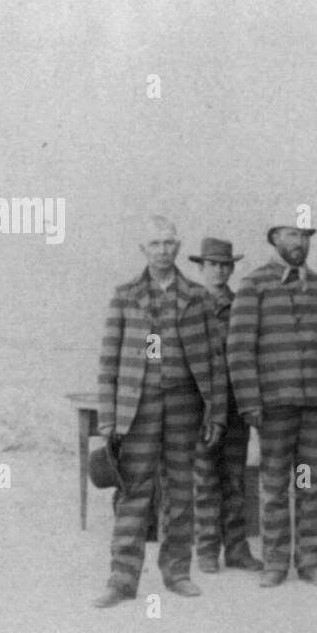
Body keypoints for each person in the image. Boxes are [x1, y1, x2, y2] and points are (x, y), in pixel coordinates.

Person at [92, 216, 227, 608]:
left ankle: (177, 572)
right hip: (138, 407)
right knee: (134, 491)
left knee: (181, 492)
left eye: (169, 243)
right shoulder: (124, 296)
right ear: (143, 250)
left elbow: (216, 361)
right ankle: (121, 579)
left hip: (185, 403)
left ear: (179, 246)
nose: (163, 250)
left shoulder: (198, 297)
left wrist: (216, 412)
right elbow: (108, 361)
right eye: (155, 244)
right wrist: (107, 417)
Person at [228, 224, 317, 588]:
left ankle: (309, 560)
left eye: (305, 236)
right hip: (273, 406)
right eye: (291, 235)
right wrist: (250, 401)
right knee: (275, 485)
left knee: (309, 482)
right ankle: (276, 562)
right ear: (274, 239)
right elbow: (239, 348)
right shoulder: (255, 285)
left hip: (314, 405)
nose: (299, 243)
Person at [187, 237, 261, 574]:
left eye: (224, 264)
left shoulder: (241, 305)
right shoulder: (189, 303)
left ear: (232, 268)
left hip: (234, 403)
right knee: (204, 478)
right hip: (200, 406)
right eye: (212, 264)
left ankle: (237, 548)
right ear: (201, 267)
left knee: (234, 477)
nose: (218, 270)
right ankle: (206, 548)